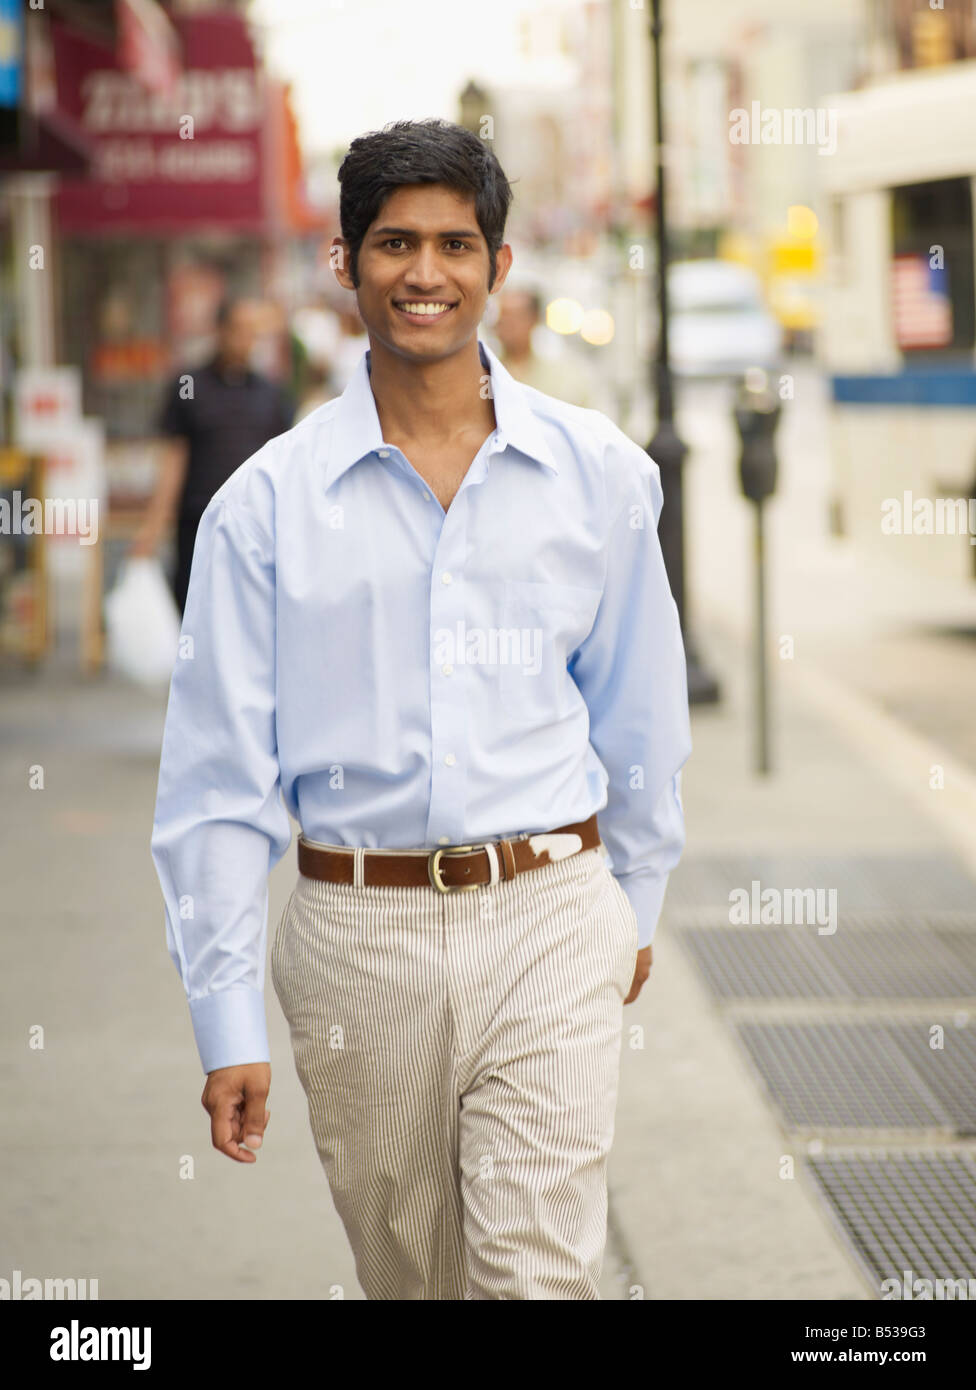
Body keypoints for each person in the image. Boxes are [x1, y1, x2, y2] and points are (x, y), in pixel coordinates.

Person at [150, 118, 692, 1300]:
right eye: (394, 243)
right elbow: (216, 784)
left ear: (499, 266)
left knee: (535, 1275)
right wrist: (224, 1011)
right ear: (344, 264)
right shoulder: (262, 510)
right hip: (356, 936)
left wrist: (632, 902)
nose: (426, 273)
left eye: (456, 243)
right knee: (411, 1279)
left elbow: (639, 716)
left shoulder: (598, 478)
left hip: (550, 913)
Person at [130, 295, 294, 616]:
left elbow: (283, 465)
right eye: (238, 330)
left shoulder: (270, 393)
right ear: (219, 330)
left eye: (252, 333)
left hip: (254, 527)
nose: (245, 340)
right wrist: (151, 528)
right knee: (195, 613)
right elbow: (173, 459)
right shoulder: (189, 385)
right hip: (198, 524)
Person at [493, 285, 595, 407]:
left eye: (516, 316)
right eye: (502, 317)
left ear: (534, 319)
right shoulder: (486, 374)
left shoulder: (564, 377)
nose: (508, 324)